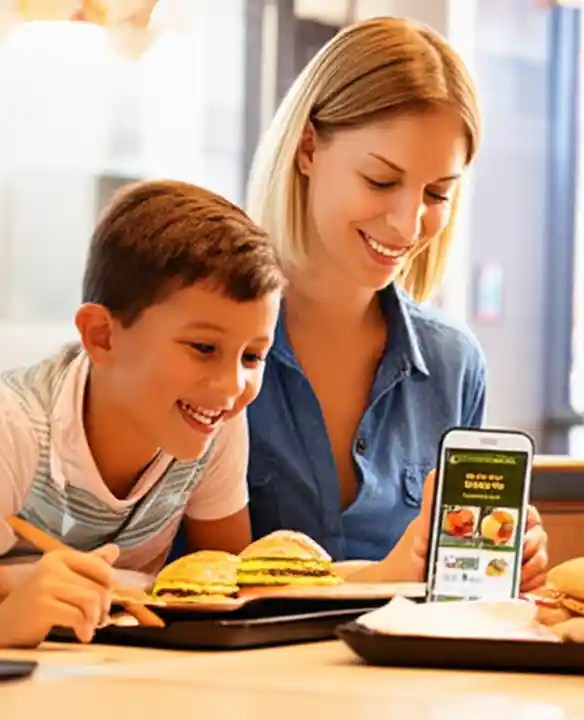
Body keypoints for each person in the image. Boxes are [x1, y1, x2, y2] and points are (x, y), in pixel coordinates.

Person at [244, 17, 547, 588]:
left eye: (438, 194)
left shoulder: (453, 364)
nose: (409, 225)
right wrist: (383, 575)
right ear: (308, 147)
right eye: (381, 181)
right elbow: (185, 573)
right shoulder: (214, 338)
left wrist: (499, 563)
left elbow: (454, 591)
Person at [0, 180, 283, 630]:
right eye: (204, 348)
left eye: (252, 356)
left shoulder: (212, 421)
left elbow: (228, 582)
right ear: (102, 336)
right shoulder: (14, 426)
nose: (232, 386)